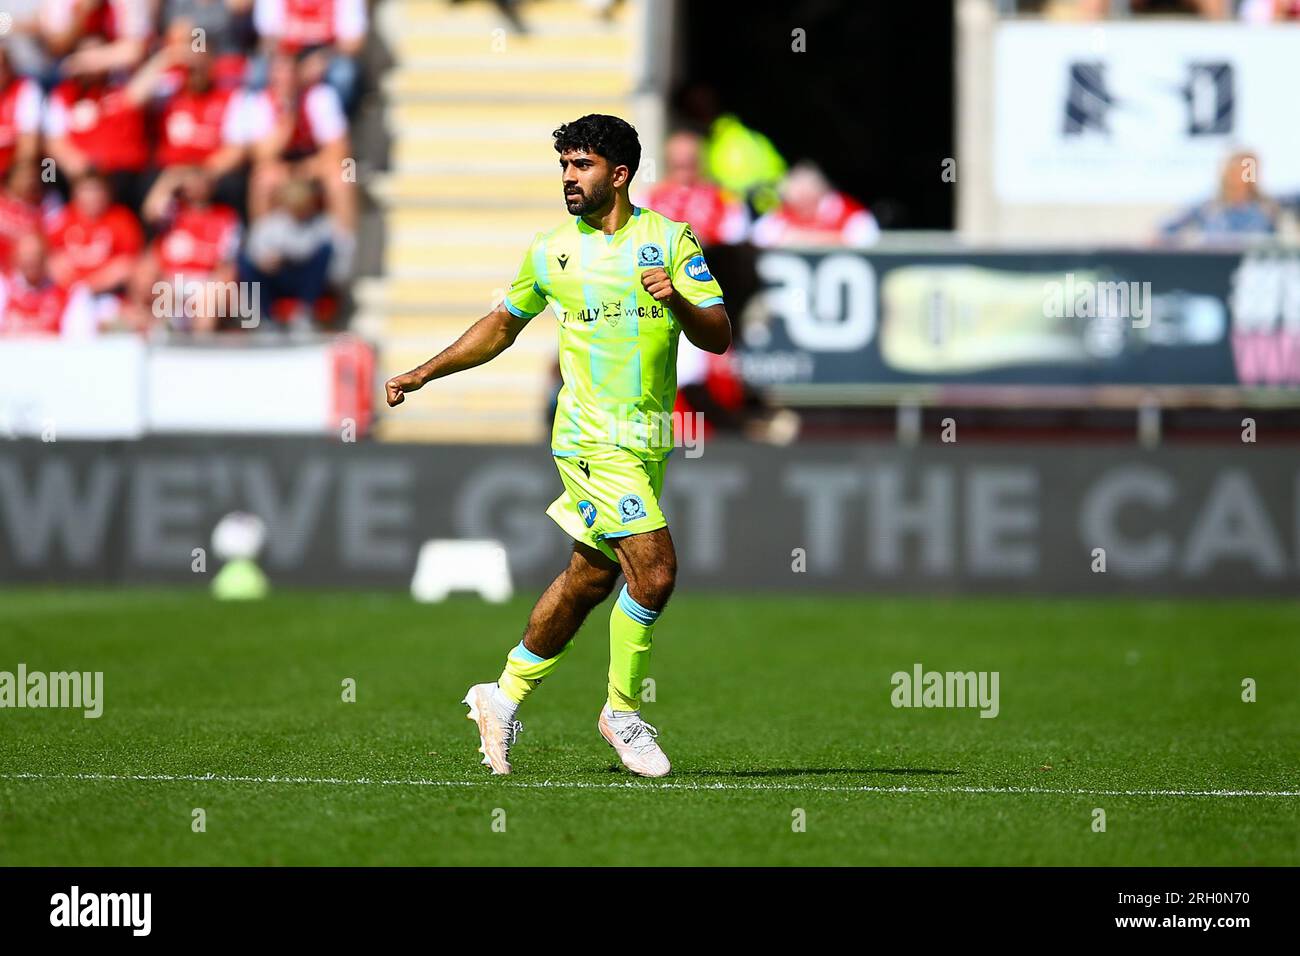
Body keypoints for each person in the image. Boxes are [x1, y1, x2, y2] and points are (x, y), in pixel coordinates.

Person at [384, 114, 731, 778]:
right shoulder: (551, 251)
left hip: (646, 442)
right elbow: (499, 327)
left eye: (582, 166)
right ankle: (622, 714)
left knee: (590, 578)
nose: (569, 178)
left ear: (620, 174)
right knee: (655, 573)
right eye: (564, 166)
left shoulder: (669, 240)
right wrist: (424, 372)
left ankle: (502, 695)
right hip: (588, 440)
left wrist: (679, 303)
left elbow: (717, 335)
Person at [751, 161, 879, 248]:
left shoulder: (847, 212)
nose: (793, 192)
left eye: (801, 186)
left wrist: (808, 240)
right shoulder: (781, 213)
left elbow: (868, 241)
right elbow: (757, 238)